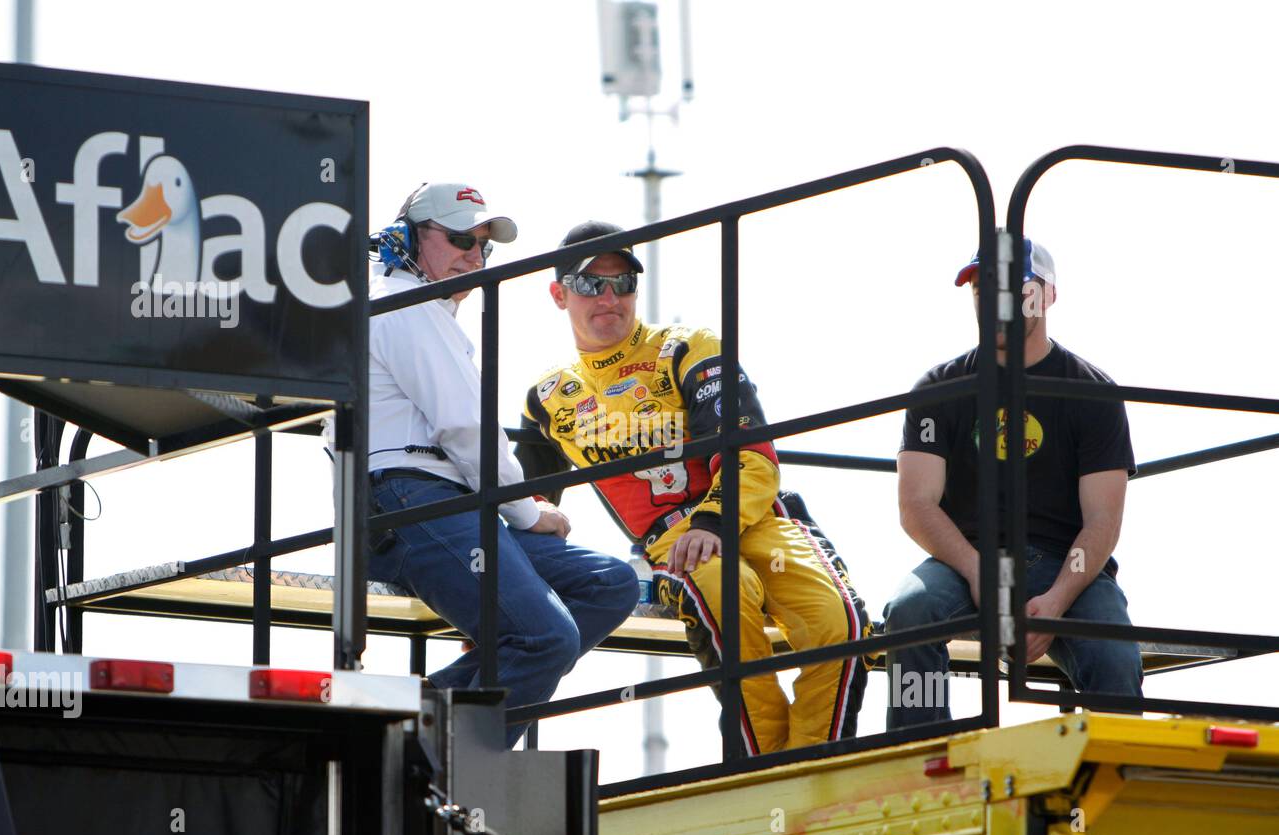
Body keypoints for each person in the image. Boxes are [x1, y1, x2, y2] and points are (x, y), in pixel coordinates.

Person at [515, 221, 870, 756]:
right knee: (725, 590)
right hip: (668, 542)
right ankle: (770, 767)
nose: (609, 298)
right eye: (591, 285)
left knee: (836, 619)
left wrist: (713, 520)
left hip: (754, 517)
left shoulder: (687, 347)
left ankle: (816, 761)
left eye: (624, 283)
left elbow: (751, 450)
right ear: (559, 294)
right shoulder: (547, 396)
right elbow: (526, 500)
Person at [360, 187, 640, 749]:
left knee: (610, 583)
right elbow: (466, 429)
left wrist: (514, 507)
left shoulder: (422, 310)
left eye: (483, 245)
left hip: (441, 503)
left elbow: (464, 433)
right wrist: (524, 510)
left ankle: (417, 717)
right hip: (412, 502)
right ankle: (446, 761)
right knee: (545, 638)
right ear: (410, 238)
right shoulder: (406, 306)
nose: (474, 255)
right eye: (460, 238)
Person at [884, 240, 1142, 730]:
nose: (991, 299)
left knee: (1114, 655)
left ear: (1045, 296)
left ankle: (1110, 791)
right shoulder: (939, 387)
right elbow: (915, 504)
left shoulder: (1092, 391)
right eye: (981, 288)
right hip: (965, 559)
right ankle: (925, 766)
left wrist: (1058, 600)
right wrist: (977, 570)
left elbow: (1104, 519)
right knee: (909, 612)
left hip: (1066, 565)